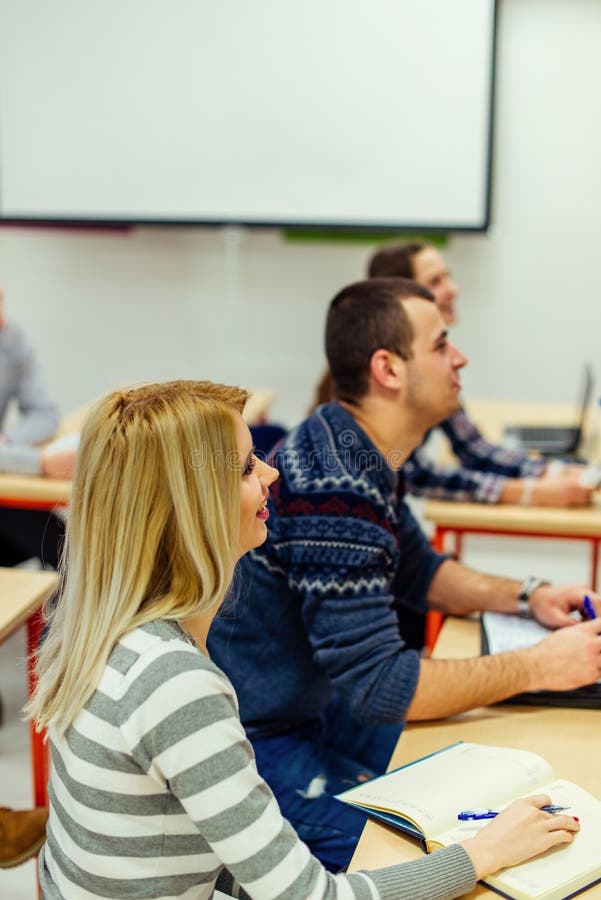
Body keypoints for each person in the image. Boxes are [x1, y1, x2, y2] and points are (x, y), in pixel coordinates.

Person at [25, 379, 581, 900]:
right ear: (194, 508)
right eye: (246, 468)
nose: (271, 476)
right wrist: (483, 853)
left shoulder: (106, 632)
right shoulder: (175, 684)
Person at [208, 278, 601, 871]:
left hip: (316, 708)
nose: (459, 356)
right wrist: (538, 665)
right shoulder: (334, 478)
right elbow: (382, 688)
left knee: (505, 784)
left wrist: (528, 596)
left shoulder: (358, 448)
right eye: (442, 345)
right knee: (459, 858)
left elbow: (417, 569)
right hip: (264, 740)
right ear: (389, 369)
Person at [366, 243, 593, 507]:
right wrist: (528, 492)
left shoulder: (427, 361)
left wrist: (549, 471)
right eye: (435, 281)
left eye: (447, 276)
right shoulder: (384, 371)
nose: (453, 289)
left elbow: (471, 447)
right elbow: (414, 474)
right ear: (404, 297)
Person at [0, 287, 76, 569]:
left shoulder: (10, 338)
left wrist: (6, 441)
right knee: (66, 555)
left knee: (65, 549)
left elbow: (44, 412)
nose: (2, 319)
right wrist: (40, 463)